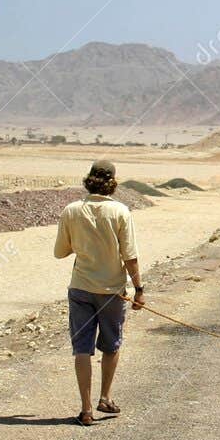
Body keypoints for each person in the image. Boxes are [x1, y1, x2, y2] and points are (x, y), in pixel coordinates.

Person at [53, 160, 145, 426]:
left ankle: (85, 409)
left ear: (89, 179)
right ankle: (105, 397)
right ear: (112, 182)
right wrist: (139, 289)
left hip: (81, 287)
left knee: (82, 349)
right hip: (112, 291)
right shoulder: (120, 211)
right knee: (111, 345)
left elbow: (60, 251)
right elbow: (130, 256)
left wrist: (83, 244)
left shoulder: (71, 211)